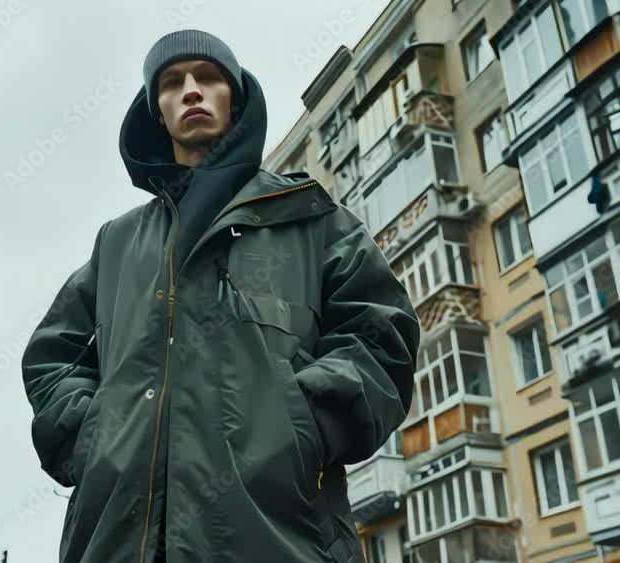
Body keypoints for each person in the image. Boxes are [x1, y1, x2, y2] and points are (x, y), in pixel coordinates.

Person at [22, 29, 421, 563]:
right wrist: (91, 441)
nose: (191, 90)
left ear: (234, 98)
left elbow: (382, 337)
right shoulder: (117, 242)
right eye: (172, 82)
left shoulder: (311, 220)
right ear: (156, 110)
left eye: (208, 77)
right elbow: (53, 355)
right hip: (116, 541)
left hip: (277, 537)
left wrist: (305, 426)